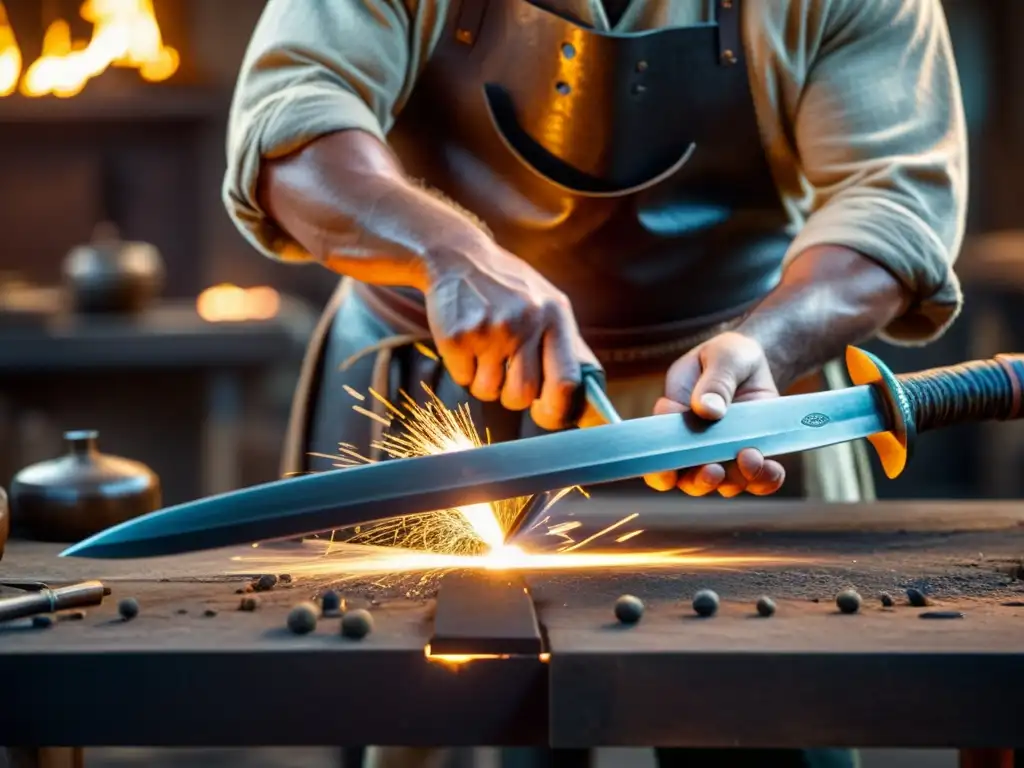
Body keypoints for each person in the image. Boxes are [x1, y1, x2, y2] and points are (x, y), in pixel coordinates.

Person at [223, 0, 967, 765]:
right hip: (433, 380)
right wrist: (446, 251)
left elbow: (896, 201)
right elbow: (289, 127)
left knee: (767, 721)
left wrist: (766, 346)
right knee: (419, 721)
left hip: (741, 407)